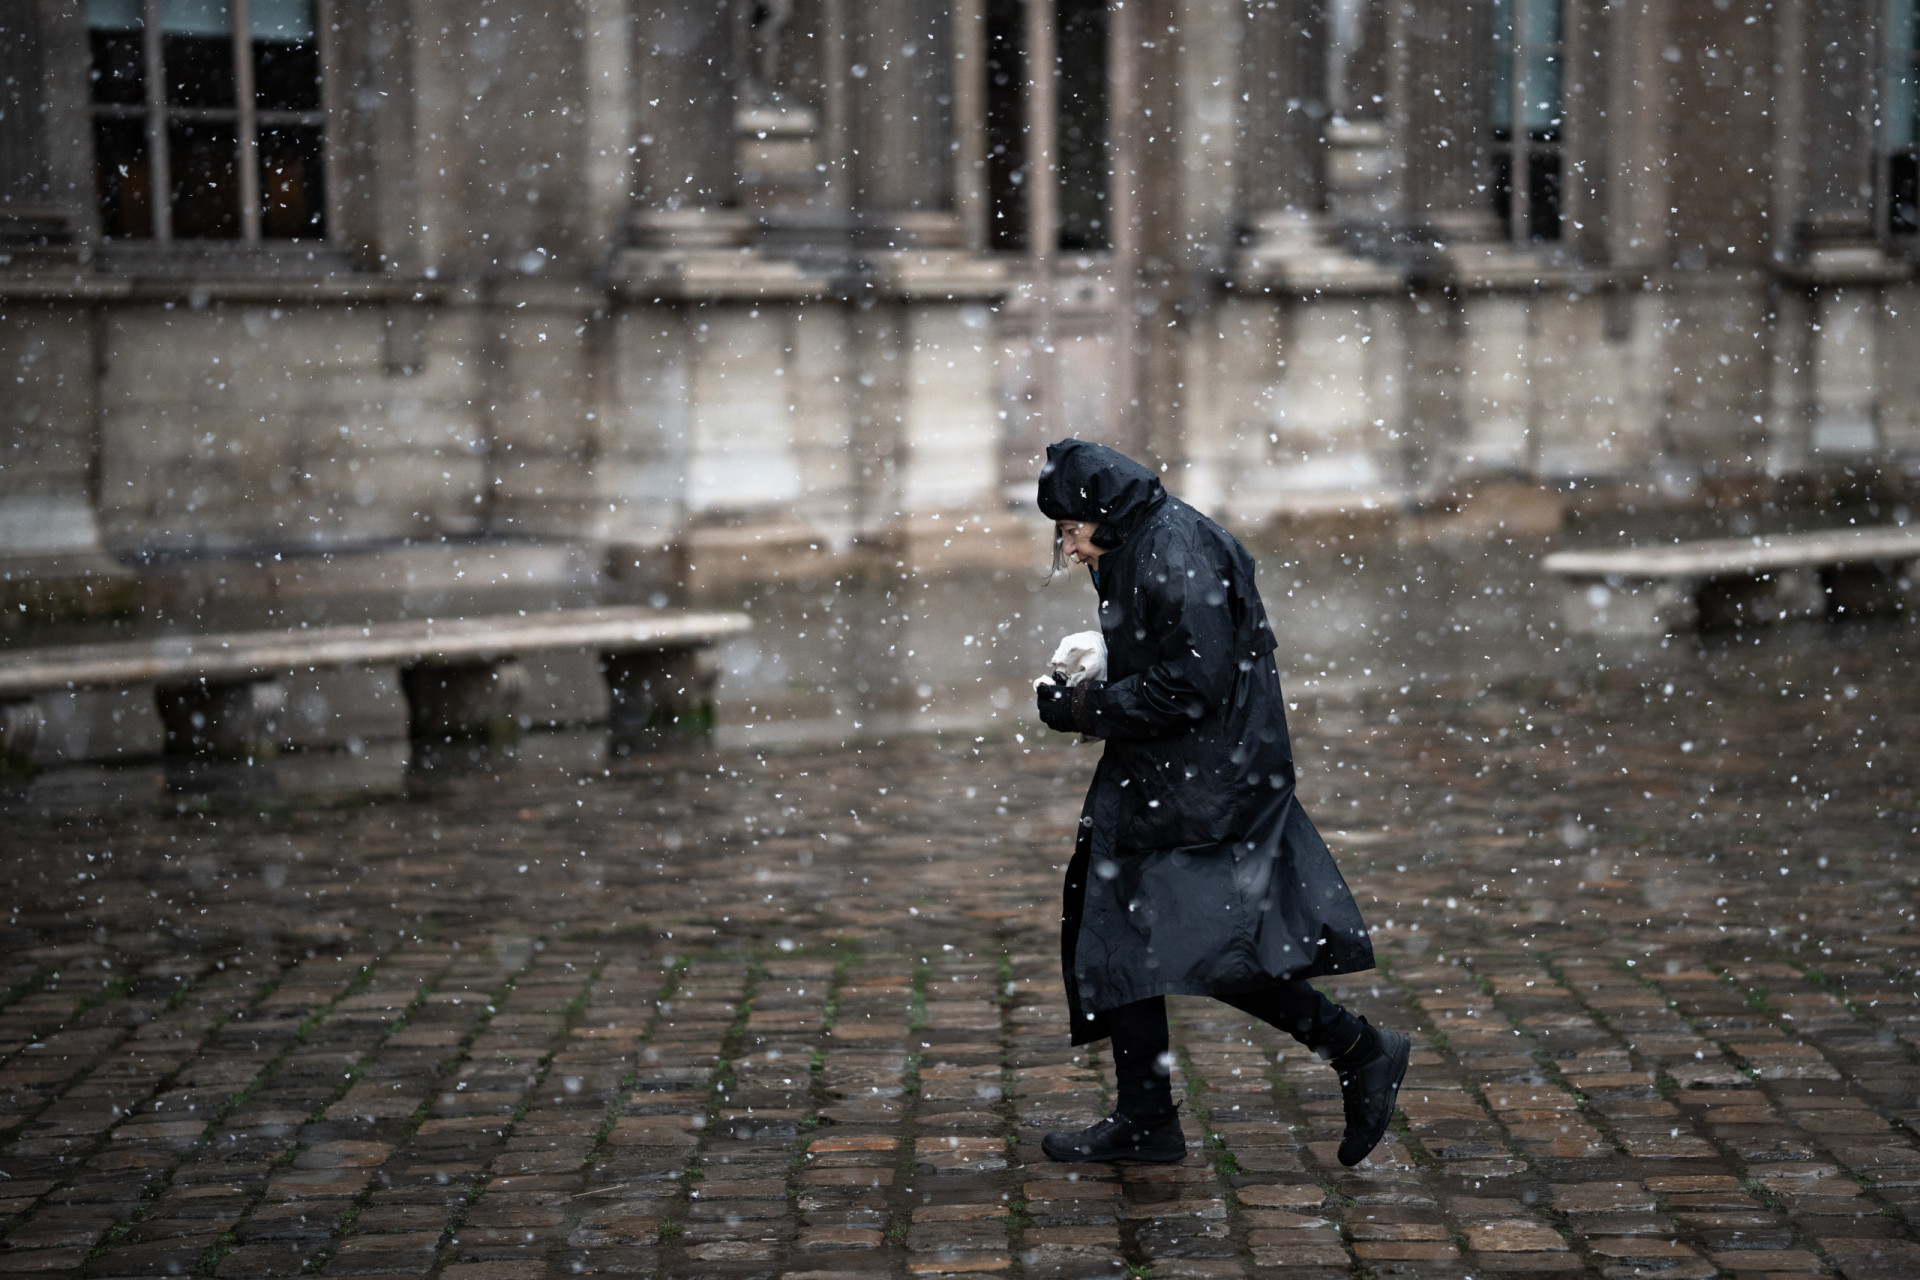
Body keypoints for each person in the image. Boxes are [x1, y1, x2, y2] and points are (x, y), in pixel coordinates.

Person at [1032, 438, 1409, 1166]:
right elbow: (1178, 654)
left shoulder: (1171, 550)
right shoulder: (1142, 539)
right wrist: (1103, 665)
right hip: (1169, 770)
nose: (1072, 550)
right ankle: (1146, 1117)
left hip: (1205, 780)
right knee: (1118, 931)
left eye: (1073, 533)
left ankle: (1359, 1049)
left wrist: (1084, 707)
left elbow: (1190, 687)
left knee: (1204, 947)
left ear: (1103, 516)